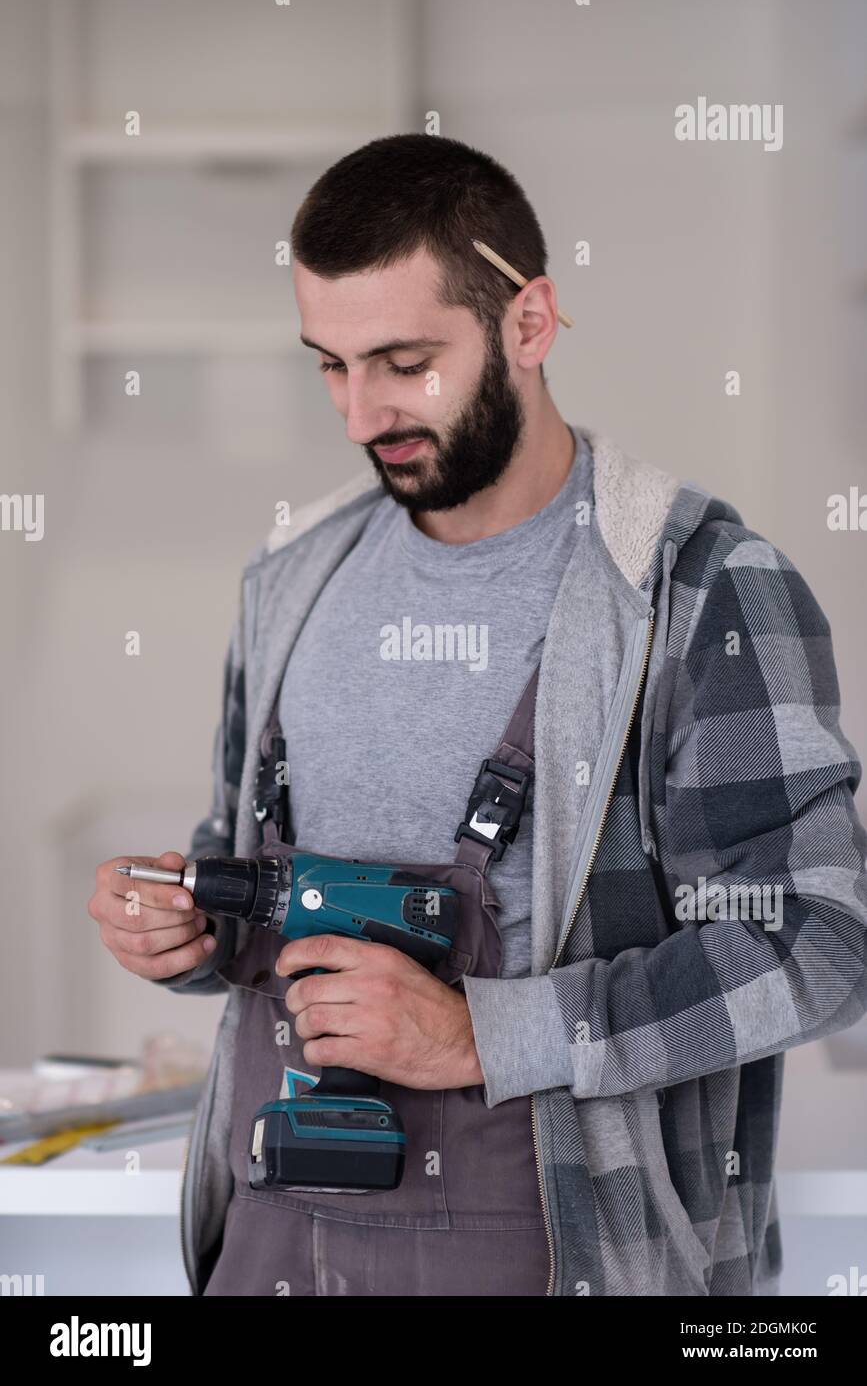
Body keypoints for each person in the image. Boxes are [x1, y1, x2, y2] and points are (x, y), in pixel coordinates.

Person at [89, 133, 867, 1297]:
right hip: (272, 1242)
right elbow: (242, 870)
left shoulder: (698, 590)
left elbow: (816, 942)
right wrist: (193, 928)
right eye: (331, 366)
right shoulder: (292, 581)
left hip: (567, 1253)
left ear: (529, 323)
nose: (361, 415)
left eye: (404, 361)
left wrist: (483, 1034)